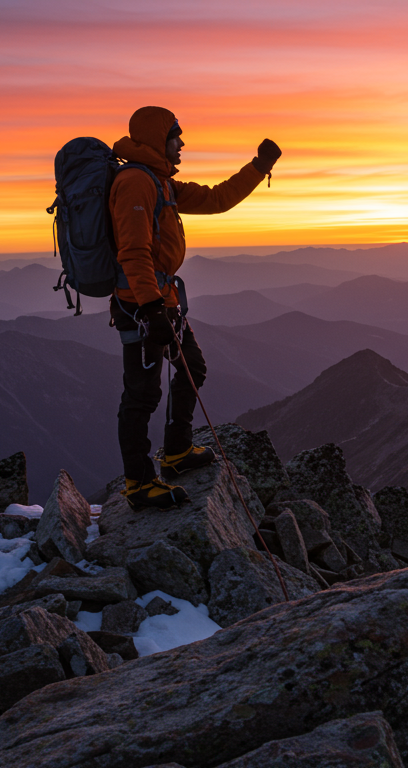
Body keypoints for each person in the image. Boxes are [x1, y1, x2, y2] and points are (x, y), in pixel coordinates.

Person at [108, 106, 281, 509]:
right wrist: (152, 311)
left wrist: (258, 167)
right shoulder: (136, 182)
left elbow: (218, 199)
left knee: (193, 367)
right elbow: (133, 253)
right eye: (175, 135)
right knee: (142, 393)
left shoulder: (162, 182)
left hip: (162, 302)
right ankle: (138, 482)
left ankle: (177, 453)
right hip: (141, 307)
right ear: (156, 139)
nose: (182, 142)